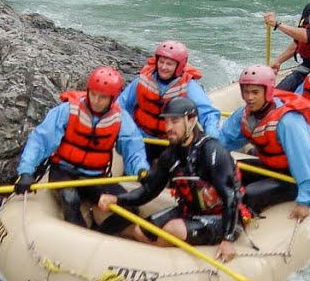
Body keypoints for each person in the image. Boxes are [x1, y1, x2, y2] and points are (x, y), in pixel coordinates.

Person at [96, 97, 245, 263]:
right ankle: (160, 258)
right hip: (190, 211)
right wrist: (116, 199)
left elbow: (230, 196)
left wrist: (227, 239)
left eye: (175, 121)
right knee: (141, 231)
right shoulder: (170, 155)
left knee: (172, 229)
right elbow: (148, 191)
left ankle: (158, 261)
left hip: (221, 217)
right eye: (166, 122)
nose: (168, 128)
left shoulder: (213, 151)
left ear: (191, 120)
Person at [14, 66, 150, 232]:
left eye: (102, 97)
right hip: (64, 172)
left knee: (130, 208)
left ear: (112, 99)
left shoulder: (121, 119)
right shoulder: (67, 111)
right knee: (70, 199)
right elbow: (40, 141)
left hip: (96, 178)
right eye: (93, 94)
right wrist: (26, 172)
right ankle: (78, 235)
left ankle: (98, 236)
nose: (96, 100)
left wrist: (142, 169)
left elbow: (133, 149)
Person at [218, 65, 310, 221]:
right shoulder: (244, 113)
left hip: (293, 176)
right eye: (246, 92)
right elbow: (223, 140)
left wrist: (305, 201)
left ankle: (239, 223)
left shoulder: (288, 121)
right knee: (225, 176)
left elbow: (304, 161)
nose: (249, 97)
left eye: (255, 92)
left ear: (268, 92)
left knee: (250, 194)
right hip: (269, 166)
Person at [117, 40, 221, 161]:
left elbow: (209, 115)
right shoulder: (143, 80)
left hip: (172, 141)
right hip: (141, 138)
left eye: (169, 64)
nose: (163, 67)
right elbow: (120, 105)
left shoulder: (189, 86)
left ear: (179, 66)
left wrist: (212, 141)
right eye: (161, 62)